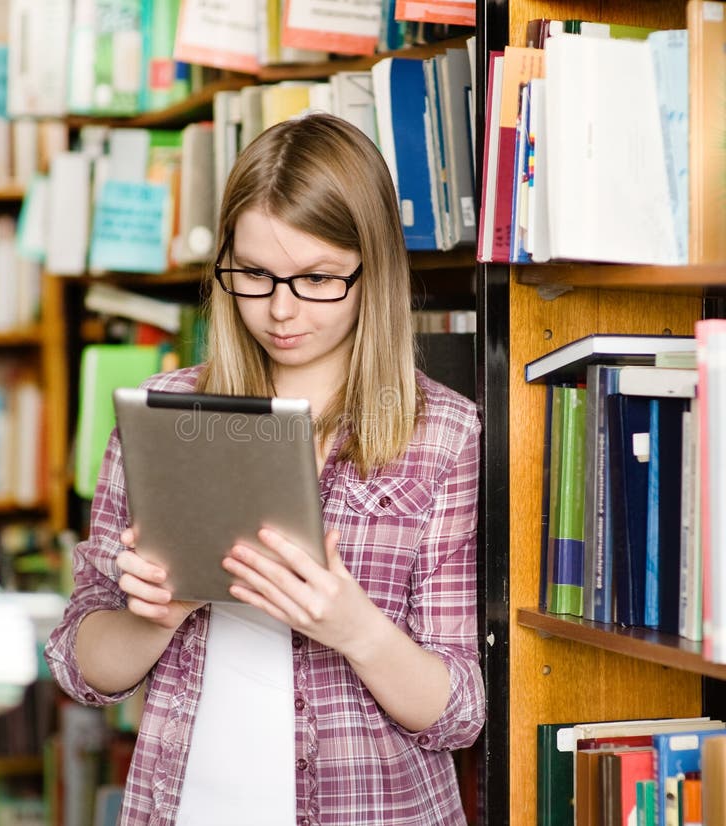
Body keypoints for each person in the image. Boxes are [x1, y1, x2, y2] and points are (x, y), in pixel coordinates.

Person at [45, 112, 485, 826]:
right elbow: (78, 663)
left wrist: (354, 628)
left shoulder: (443, 434)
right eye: (253, 274)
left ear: (371, 270)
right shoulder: (165, 412)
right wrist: (159, 618)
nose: (281, 309)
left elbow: (459, 713)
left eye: (316, 278)